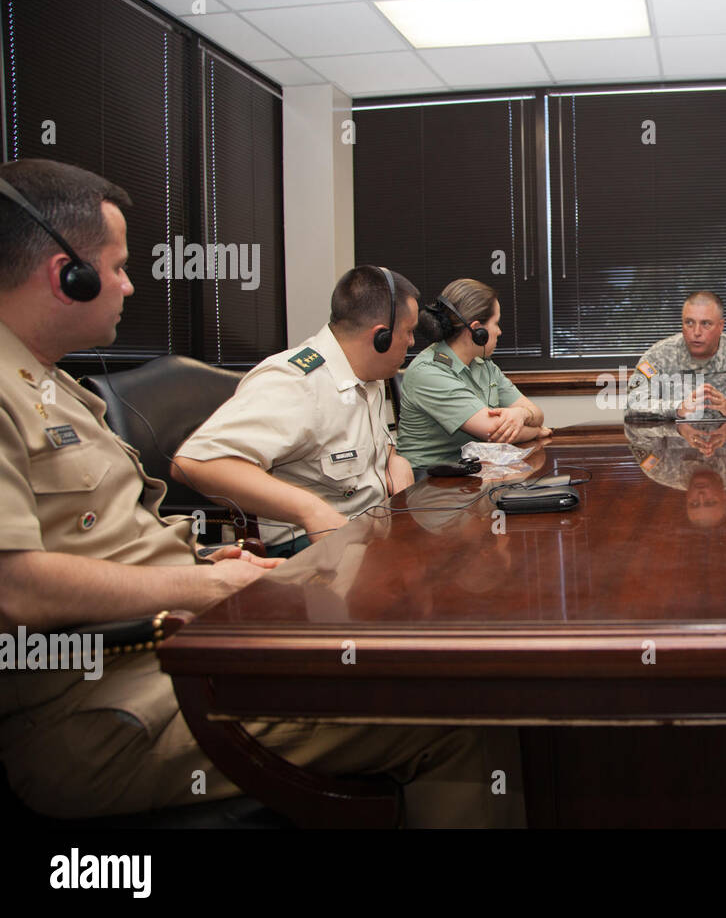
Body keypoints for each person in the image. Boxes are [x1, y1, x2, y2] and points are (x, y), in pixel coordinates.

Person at [0, 159, 520, 825]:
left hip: (171, 654)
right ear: (65, 275)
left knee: (441, 665)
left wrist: (200, 567)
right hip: (105, 708)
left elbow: (100, 541)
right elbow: (16, 589)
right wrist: (199, 585)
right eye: (119, 266)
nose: (131, 285)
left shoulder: (55, 390)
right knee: (460, 715)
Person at [172, 266, 419, 558]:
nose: (413, 342)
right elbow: (195, 463)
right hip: (304, 546)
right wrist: (312, 511)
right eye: (409, 331)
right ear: (381, 337)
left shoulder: (370, 377)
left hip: (368, 530)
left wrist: (395, 461)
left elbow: (369, 445)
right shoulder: (298, 382)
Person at [397, 277, 550, 468]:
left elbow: (538, 414)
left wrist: (521, 414)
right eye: (496, 323)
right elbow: (494, 433)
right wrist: (536, 431)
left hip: (474, 472)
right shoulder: (429, 372)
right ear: (478, 330)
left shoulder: (483, 364)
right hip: (430, 480)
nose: (500, 331)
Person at [625, 291, 726, 420]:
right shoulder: (657, 357)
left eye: (706, 324)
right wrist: (677, 409)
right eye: (689, 323)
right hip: (677, 457)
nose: (696, 332)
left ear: (720, 326)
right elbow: (632, 405)